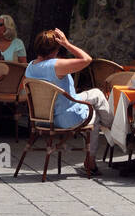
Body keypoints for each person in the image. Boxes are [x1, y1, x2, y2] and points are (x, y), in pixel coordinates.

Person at [24, 29, 113, 176]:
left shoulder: (30, 67)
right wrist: (67, 44)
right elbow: (87, 59)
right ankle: (109, 136)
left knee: (96, 95)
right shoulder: (56, 65)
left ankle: (111, 128)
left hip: (43, 119)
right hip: (65, 118)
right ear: (55, 49)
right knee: (95, 113)